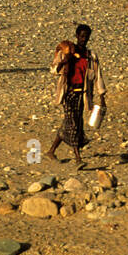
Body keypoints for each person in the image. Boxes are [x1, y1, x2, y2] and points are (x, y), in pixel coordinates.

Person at [48, 24, 103, 168]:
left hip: (82, 95)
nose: (84, 39)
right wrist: (64, 62)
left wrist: (101, 95)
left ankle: (51, 151)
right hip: (69, 94)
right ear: (77, 36)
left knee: (73, 123)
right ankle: (78, 159)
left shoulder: (90, 56)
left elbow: (97, 77)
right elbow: (53, 70)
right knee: (73, 125)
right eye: (82, 36)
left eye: (87, 37)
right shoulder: (66, 52)